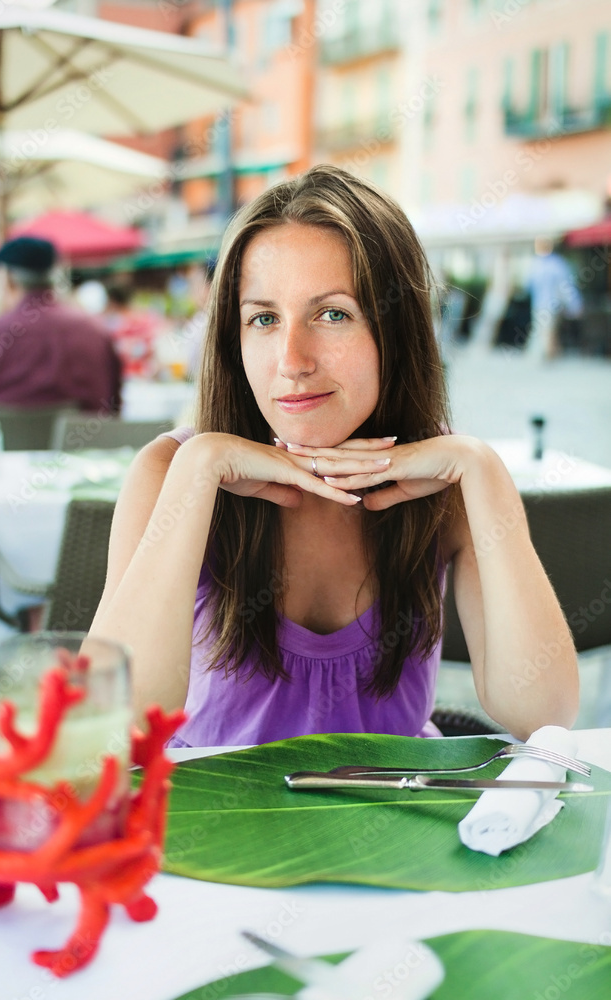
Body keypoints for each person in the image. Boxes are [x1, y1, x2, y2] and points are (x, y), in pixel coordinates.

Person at [91, 165, 579, 747]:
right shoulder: (171, 472)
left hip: (396, 819)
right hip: (218, 826)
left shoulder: (444, 480)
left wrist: (484, 471)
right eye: (264, 319)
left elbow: (544, 712)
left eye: (333, 314)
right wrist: (200, 471)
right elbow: (110, 723)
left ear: (394, 332)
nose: (292, 360)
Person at [0, 237, 122, 448]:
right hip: (82, 466)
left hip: (0, 471)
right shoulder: (96, 332)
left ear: (7, 279)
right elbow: (113, 412)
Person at [525, 237, 583, 361]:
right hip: (552, 304)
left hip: (541, 304)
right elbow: (568, 286)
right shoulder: (557, 263)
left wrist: (574, 304)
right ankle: (550, 356)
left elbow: (528, 287)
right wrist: (574, 305)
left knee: (545, 330)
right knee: (548, 330)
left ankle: (548, 357)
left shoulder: (536, 264)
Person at [102, 282, 161, 380]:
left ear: (112, 302)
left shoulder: (114, 324)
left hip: (126, 376)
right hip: (144, 375)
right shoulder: (147, 318)